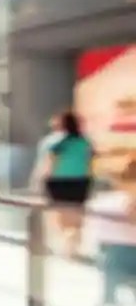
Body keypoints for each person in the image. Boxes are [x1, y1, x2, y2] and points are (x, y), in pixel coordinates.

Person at [43, 111, 93, 259]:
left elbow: (50, 164)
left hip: (59, 181)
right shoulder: (85, 142)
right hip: (80, 181)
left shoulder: (57, 143)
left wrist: (41, 180)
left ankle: (64, 245)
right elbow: (89, 162)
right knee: (77, 214)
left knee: (60, 214)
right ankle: (73, 248)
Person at [93, 182, 136, 306]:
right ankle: (108, 302)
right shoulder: (117, 199)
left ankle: (108, 303)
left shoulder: (110, 200)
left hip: (119, 247)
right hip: (122, 246)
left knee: (112, 272)